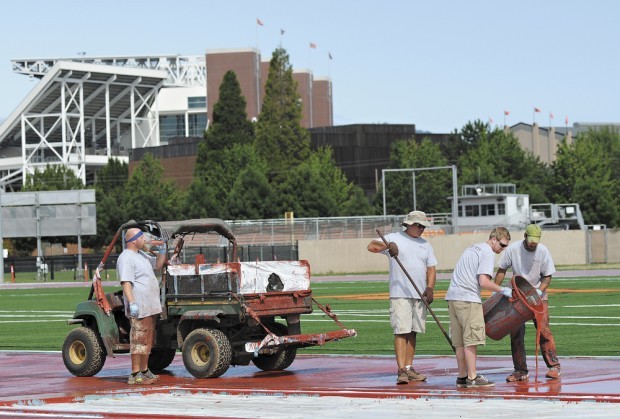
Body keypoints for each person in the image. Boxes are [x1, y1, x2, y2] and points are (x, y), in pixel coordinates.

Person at [367, 210, 438, 385]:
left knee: (413, 331)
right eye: (419, 225)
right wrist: (388, 246)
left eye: (423, 226)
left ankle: (409, 367)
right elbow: (371, 246)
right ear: (409, 224)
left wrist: (430, 288)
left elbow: (431, 269)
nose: (421, 229)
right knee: (401, 331)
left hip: (419, 294)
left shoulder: (425, 245)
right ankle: (401, 370)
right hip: (400, 294)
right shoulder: (395, 237)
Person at [445, 227, 513, 388]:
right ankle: (473, 377)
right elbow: (483, 281)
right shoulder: (488, 252)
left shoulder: (472, 248)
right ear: (494, 239)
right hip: (468, 300)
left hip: (453, 298)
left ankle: (462, 376)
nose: (503, 249)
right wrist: (503, 290)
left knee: (460, 342)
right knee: (471, 340)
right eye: (502, 245)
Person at [494, 224, 561, 381]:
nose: (533, 244)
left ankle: (554, 366)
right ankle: (520, 370)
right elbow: (502, 270)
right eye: (531, 241)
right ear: (524, 236)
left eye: (535, 242)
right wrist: (496, 290)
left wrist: (539, 290)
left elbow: (547, 276)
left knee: (543, 330)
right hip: (518, 297)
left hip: (538, 297)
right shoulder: (513, 249)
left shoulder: (543, 251)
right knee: (516, 332)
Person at [117, 228, 166, 385]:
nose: (144, 239)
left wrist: (161, 250)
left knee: (147, 339)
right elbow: (126, 282)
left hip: (150, 305)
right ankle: (135, 373)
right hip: (139, 305)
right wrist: (132, 302)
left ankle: (145, 370)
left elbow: (158, 265)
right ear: (133, 240)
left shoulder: (141, 255)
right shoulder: (126, 258)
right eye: (142, 237)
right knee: (138, 339)